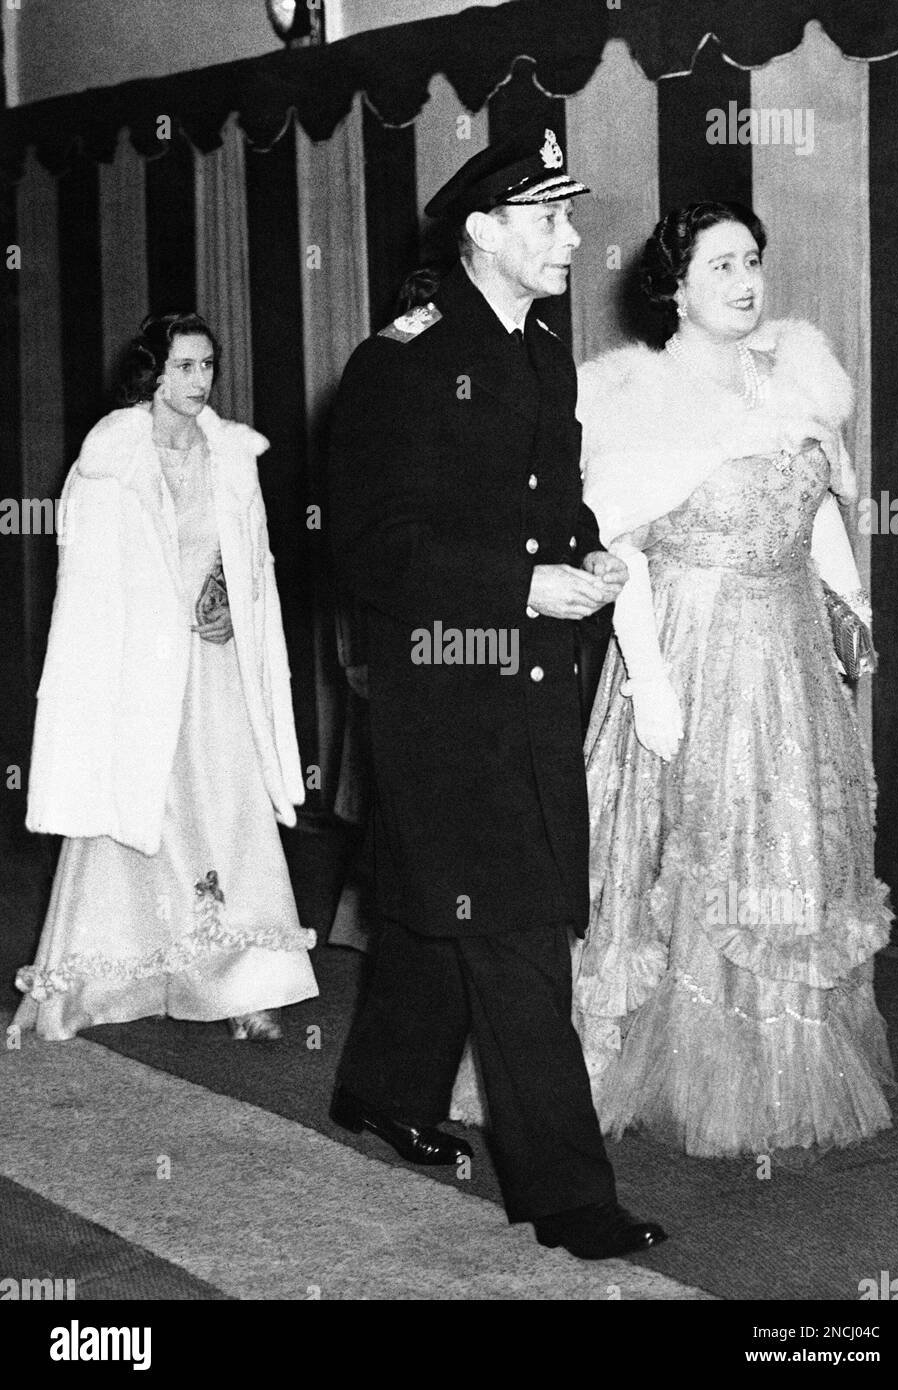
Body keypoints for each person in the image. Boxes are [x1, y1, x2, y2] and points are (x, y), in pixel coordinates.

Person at [327, 126, 667, 1259]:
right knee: (518, 925)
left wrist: (590, 554)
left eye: (570, 216)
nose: (573, 238)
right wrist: (529, 584)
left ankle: (382, 1086)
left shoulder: (537, 350)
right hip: (440, 691)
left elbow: (539, 499)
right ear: (480, 229)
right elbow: (374, 549)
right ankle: (573, 1198)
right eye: (548, 217)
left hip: (525, 681)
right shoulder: (403, 363)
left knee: (448, 905)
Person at [572, 202, 894, 1157]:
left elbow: (818, 512)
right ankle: (641, 1057)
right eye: (720, 267)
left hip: (789, 644)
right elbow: (616, 551)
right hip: (687, 643)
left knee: (788, 844)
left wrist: (849, 606)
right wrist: (653, 685)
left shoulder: (796, 376)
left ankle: (778, 1065)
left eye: (752, 260)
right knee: (686, 849)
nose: (746, 280)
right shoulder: (632, 394)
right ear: (673, 285)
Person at [15, 313, 318, 1041]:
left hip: (213, 665)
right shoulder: (109, 463)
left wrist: (224, 604)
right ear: (152, 375)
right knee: (139, 810)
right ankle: (114, 972)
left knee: (227, 806)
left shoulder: (230, 456)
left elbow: (251, 567)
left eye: (207, 365)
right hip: (139, 671)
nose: (199, 381)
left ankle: (246, 985)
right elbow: (89, 584)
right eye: (183, 367)